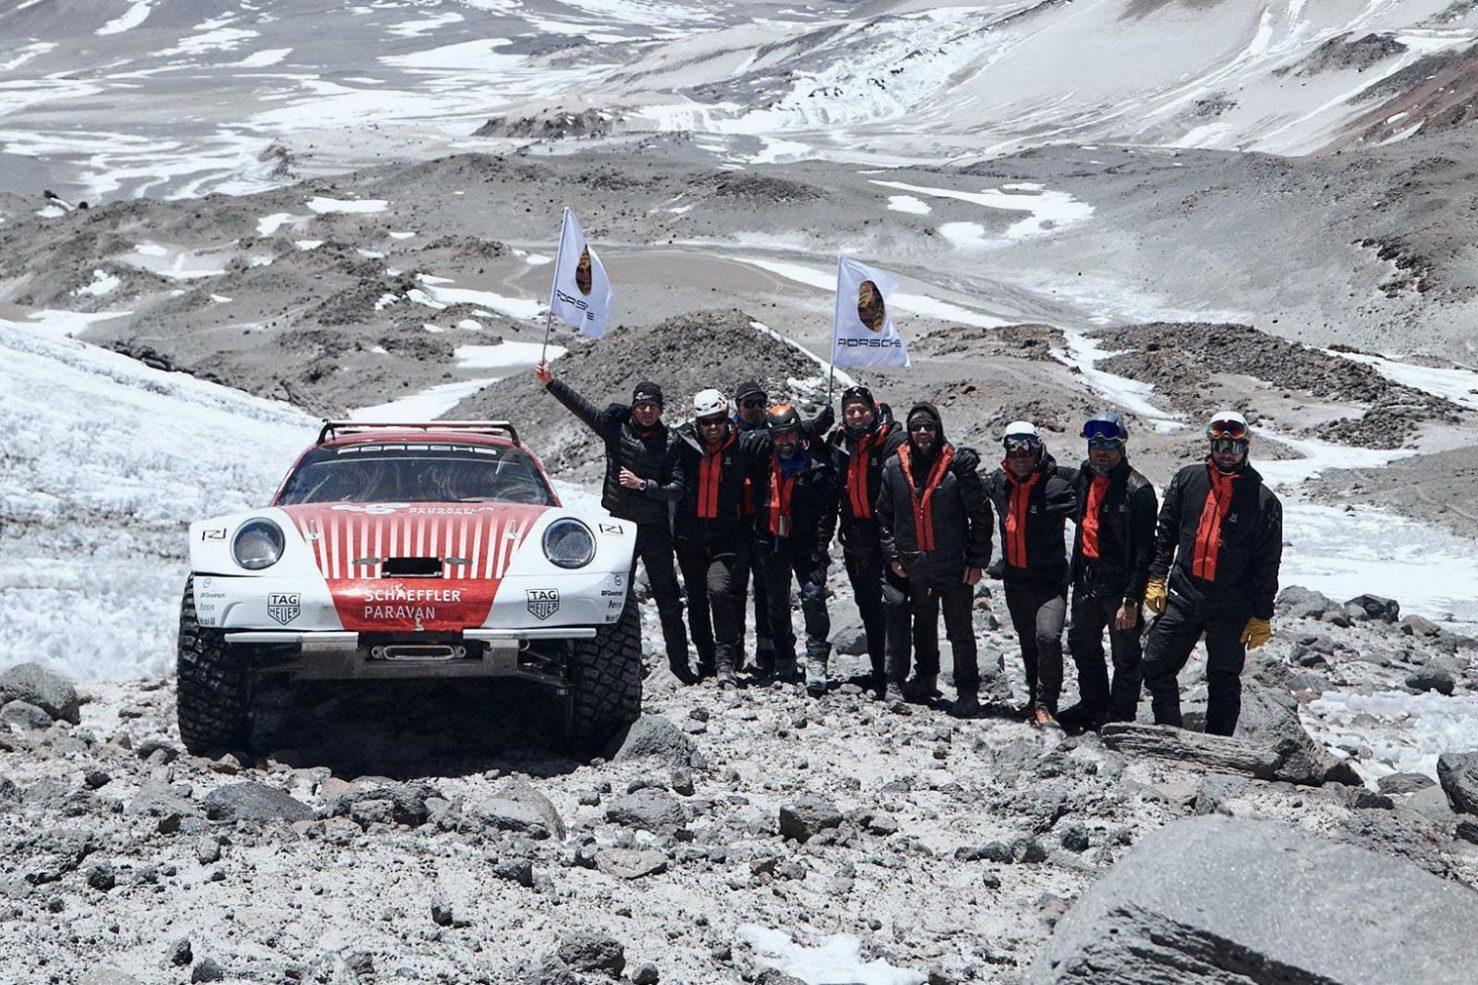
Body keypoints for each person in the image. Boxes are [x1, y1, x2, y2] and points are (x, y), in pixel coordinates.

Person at [535, 362, 693, 682]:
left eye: (652, 405)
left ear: (660, 409)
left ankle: (680, 666)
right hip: (619, 527)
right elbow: (582, 408)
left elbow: (678, 489)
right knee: (614, 594)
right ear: (634, 407)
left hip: (654, 529)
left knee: (668, 597)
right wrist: (551, 382)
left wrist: (643, 485)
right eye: (641, 405)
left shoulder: (671, 441)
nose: (647, 410)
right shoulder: (615, 429)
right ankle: (616, 665)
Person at [1139, 410, 1283, 735]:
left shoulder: (1263, 501)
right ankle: (1169, 733)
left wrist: (1262, 615)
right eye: (1220, 445)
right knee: (1155, 664)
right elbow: (1166, 533)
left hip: (1232, 605)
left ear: (1246, 448)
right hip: (1183, 594)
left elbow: (1267, 562)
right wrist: (1156, 578)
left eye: (1234, 446)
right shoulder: (1188, 480)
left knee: (1223, 677)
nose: (1226, 452)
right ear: (1211, 445)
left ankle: (1217, 746)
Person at [876, 403, 992, 716]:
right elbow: (884, 516)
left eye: (929, 427)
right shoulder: (893, 468)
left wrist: (978, 560)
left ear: (938, 429)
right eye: (916, 427)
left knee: (960, 629)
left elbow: (980, 514)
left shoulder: (957, 467)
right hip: (915, 563)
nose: (923, 433)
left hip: (954, 562)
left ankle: (968, 691)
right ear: (910, 432)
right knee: (923, 625)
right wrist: (892, 554)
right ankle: (926, 679)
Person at [1059, 412, 1159, 730]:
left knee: (1125, 654)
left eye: (1109, 444)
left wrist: (1132, 599)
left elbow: (1145, 550)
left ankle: (1121, 715)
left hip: (1120, 587)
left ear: (1122, 447)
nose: (1101, 451)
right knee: (1081, 642)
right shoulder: (1083, 479)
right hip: (1087, 580)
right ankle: (1093, 704)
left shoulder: (1138, 490)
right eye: (1095, 444)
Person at [671, 388, 772, 688]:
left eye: (718, 420)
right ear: (697, 422)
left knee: (718, 591)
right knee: (697, 602)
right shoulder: (682, 442)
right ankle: (707, 661)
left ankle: (726, 661)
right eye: (706, 422)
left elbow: (785, 433)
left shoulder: (742, 443)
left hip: (726, 538)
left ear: (727, 416)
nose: (713, 427)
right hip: (689, 538)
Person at [983, 422, 1077, 727]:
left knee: (1048, 637)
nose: (1021, 456)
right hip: (1015, 579)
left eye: (1027, 450)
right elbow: (971, 486)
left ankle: (1047, 704)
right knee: (1027, 641)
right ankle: (1034, 705)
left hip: (1050, 581)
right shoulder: (1000, 483)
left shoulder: (1057, 486)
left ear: (1037, 449)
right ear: (1007, 453)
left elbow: (1091, 516)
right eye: (1014, 450)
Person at [753, 405, 840, 694]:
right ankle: (784, 657)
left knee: (813, 596)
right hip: (772, 541)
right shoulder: (761, 460)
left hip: (807, 542)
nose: (785, 442)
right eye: (778, 437)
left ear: (799, 433)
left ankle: (816, 659)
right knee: (776, 602)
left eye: (790, 435)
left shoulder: (816, 462)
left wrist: (820, 545)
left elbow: (827, 511)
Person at [826, 385, 906, 695]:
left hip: (888, 537)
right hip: (856, 540)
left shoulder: (892, 441)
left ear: (873, 410)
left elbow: (928, 450)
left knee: (895, 605)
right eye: (850, 411)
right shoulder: (840, 445)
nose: (857, 415)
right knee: (869, 607)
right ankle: (879, 672)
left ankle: (897, 676)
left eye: (862, 409)